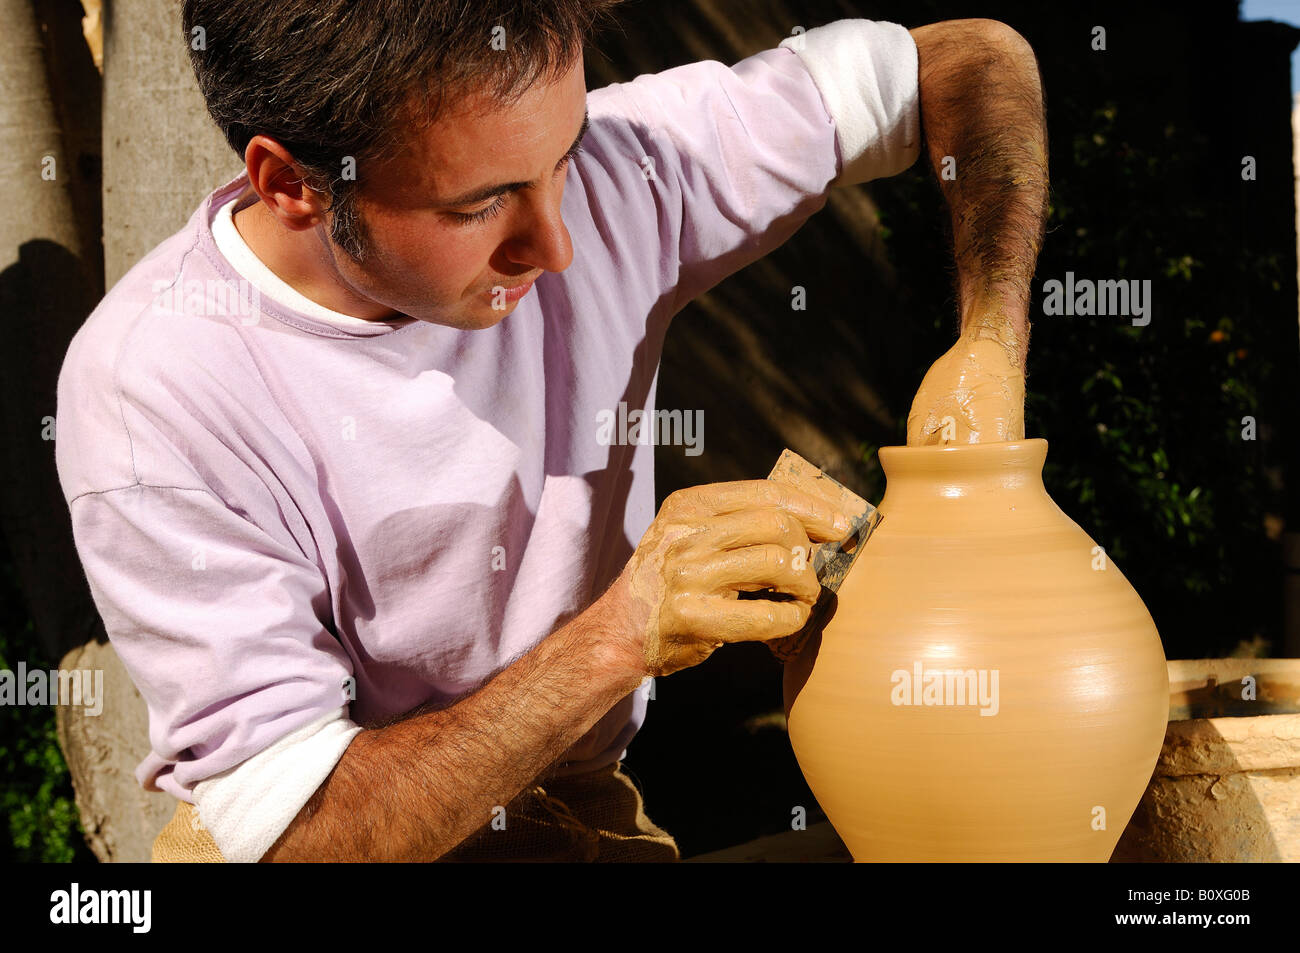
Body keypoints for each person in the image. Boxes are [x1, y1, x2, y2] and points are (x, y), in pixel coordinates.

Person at [54, 0, 1047, 862]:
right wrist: (619, 635)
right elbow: (301, 832)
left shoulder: (622, 168)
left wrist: (991, 342)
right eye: (481, 204)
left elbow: (968, 59)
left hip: (571, 805)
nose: (558, 244)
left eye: (561, 157)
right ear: (291, 185)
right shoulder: (157, 392)